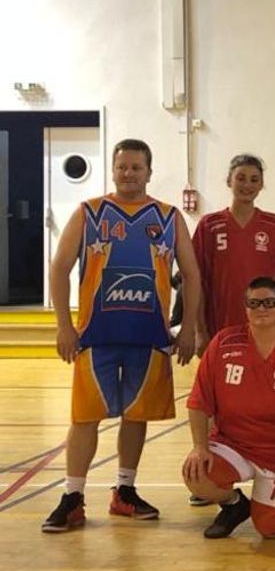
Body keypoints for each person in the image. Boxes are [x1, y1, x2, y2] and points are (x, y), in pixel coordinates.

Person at [42, 139, 201, 533]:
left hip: (148, 335)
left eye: (136, 167)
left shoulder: (168, 216)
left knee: (136, 415)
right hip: (96, 334)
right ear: (113, 170)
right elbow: (59, 267)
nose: (128, 173)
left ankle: (124, 492)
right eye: (122, 167)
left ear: (149, 171)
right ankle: (73, 495)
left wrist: (188, 328)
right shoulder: (90, 212)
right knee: (85, 417)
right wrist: (64, 324)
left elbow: (192, 274)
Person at [181, 277, 275, 539]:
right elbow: (198, 403)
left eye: (269, 302)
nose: (262, 309)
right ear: (245, 307)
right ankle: (234, 505)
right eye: (254, 303)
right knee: (196, 473)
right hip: (233, 444)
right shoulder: (224, 343)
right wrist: (199, 447)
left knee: (270, 529)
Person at [193, 154, 275, 335]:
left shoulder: (274, 225)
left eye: (254, 180)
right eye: (241, 178)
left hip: (268, 329)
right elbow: (195, 281)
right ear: (229, 181)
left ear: (261, 184)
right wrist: (200, 331)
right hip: (220, 328)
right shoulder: (209, 225)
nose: (247, 185)